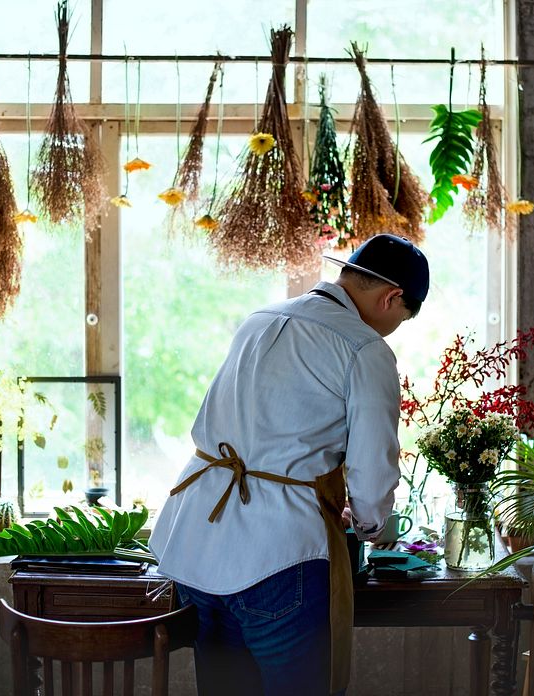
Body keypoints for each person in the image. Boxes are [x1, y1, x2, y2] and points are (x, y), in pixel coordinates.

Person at [149, 233, 430, 696]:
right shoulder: (364, 349)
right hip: (279, 558)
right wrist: (372, 527)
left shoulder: (259, 319)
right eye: (402, 316)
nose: (394, 326)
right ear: (392, 297)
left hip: (197, 543)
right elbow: (373, 471)